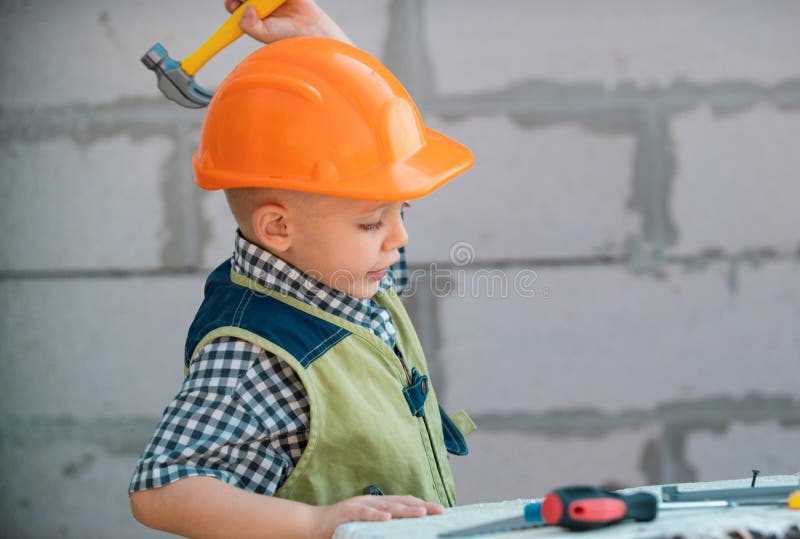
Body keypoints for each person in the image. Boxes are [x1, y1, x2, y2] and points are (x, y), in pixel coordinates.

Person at [129, 2, 475, 538]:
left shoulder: (343, 270)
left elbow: (374, 143)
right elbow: (162, 488)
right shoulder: (252, 353)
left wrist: (323, 42)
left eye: (401, 211)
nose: (399, 238)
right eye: (372, 222)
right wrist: (315, 522)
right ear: (277, 227)